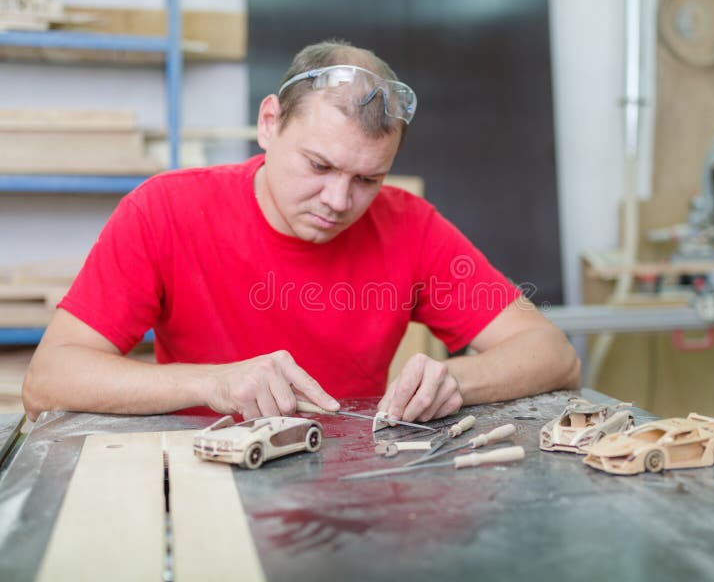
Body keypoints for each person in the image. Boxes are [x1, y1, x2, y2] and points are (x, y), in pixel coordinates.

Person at [22, 39, 580, 423]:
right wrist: (210, 384)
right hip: (204, 479)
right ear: (269, 123)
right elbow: (48, 379)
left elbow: (552, 354)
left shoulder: (409, 225)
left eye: (367, 178)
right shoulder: (166, 209)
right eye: (318, 166)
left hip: (347, 485)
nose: (339, 201)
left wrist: (458, 381)